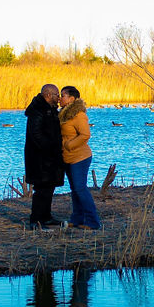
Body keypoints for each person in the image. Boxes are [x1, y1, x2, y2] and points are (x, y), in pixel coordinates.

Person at [58, 85, 102, 230]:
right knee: (75, 189)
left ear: (71, 98)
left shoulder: (78, 115)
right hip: (68, 157)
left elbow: (85, 135)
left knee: (80, 188)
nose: (60, 98)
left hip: (80, 157)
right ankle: (77, 219)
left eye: (63, 95)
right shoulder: (63, 113)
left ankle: (93, 222)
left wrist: (69, 145)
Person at [23, 83, 64, 228]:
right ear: (48, 95)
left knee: (49, 188)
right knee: (41, 190)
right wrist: (51, 147)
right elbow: (36, 134)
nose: (58, 98)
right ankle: (36, 220)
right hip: (40, 158)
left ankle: (46, 217)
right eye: (56, 95)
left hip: (49, 158)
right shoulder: (38, 111)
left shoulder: (50, 110)